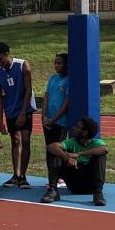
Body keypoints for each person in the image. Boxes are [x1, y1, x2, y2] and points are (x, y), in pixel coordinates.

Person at [0, 41, 37, 188]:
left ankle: (23, 176)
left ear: (7, 54)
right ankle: (16, 175)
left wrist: (23, 112)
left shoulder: (23, 65)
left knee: (25, 140)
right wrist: (0, 121)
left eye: (0, 59)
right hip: (10, 110)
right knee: (15, 141)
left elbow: (28, 89)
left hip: (25, 108)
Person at [42, 116, 108, 206]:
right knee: (55, 153)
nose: (73, 128)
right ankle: (53, 191)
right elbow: (51, 147)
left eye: (77, 127)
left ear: (85, 132)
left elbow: (104, 149)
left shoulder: (96, 143)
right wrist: (67, 158)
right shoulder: (72, 142)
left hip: (90, 185)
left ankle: (98, 194)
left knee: (101, 157)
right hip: (74, 184)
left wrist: (79, 154)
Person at [41, 52, 71, 195]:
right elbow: (46, 96)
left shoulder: (69, 80)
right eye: (55, 63)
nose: (56, 65)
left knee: (58, 149)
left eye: (59, 63)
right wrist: (44, 116)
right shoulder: (53, 78)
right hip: (48, 121)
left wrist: (53, 119)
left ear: (67, 65)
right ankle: (52, 176)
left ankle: (60, 176)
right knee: (49, 149)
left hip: (60, 122)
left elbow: (66, 102)